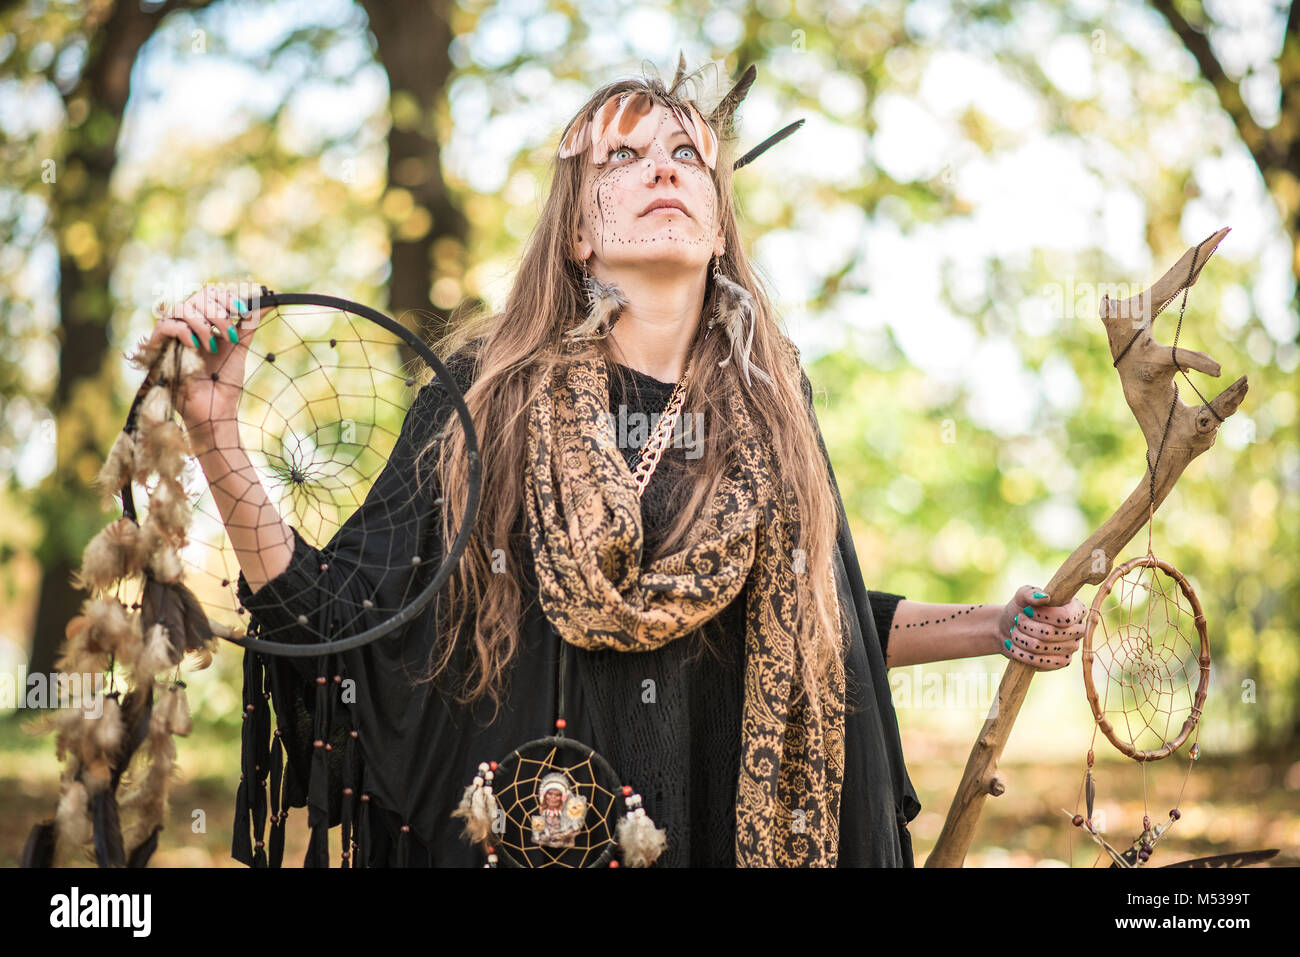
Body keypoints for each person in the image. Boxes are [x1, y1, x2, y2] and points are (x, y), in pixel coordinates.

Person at [147, 59, 1085, 868]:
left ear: (718, 227)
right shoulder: (483, 398)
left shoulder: (775, 418)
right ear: (580, 232)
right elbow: (343, 619)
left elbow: (824, 623)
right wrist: (213, 429)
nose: (662, 171)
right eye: (623, 158)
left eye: (687, 157)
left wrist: (993, 624)